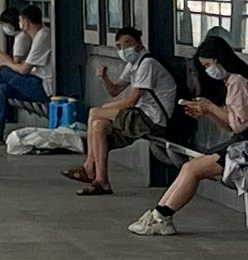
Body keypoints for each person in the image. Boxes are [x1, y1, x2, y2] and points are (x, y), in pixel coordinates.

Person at [131, 31, 248, 233]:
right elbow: (230, 125)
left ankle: (161, 217)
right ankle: (158, 215)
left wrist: (211, 108)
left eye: (207, 65)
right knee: (189, 168)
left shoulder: (239, 82)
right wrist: (207, 112)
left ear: (218, 60)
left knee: (193, 170)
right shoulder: (232, 81)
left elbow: (240, 124)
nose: (207, 71)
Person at [67, 22, 181, 196]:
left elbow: (131, 101)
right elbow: (115, 91)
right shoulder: (134, 64)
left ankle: (90, 167)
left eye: (127, 44)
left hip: (153, 118)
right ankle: (101, 181)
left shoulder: (147, 63)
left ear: (139, 44)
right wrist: (104, 78)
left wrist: (103, 108)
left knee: (95, 113)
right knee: (99, 125)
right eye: (119, 46)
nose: (123, 49)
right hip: (141, 115)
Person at [0, 3, 55, 145]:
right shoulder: (37, 36)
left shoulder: (42, 36)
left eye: (20, 20)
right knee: (2, 89)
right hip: (34, 80)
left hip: (42, 86)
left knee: (3, 72)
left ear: (25, 21)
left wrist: (5, 63)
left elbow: (24, 69)